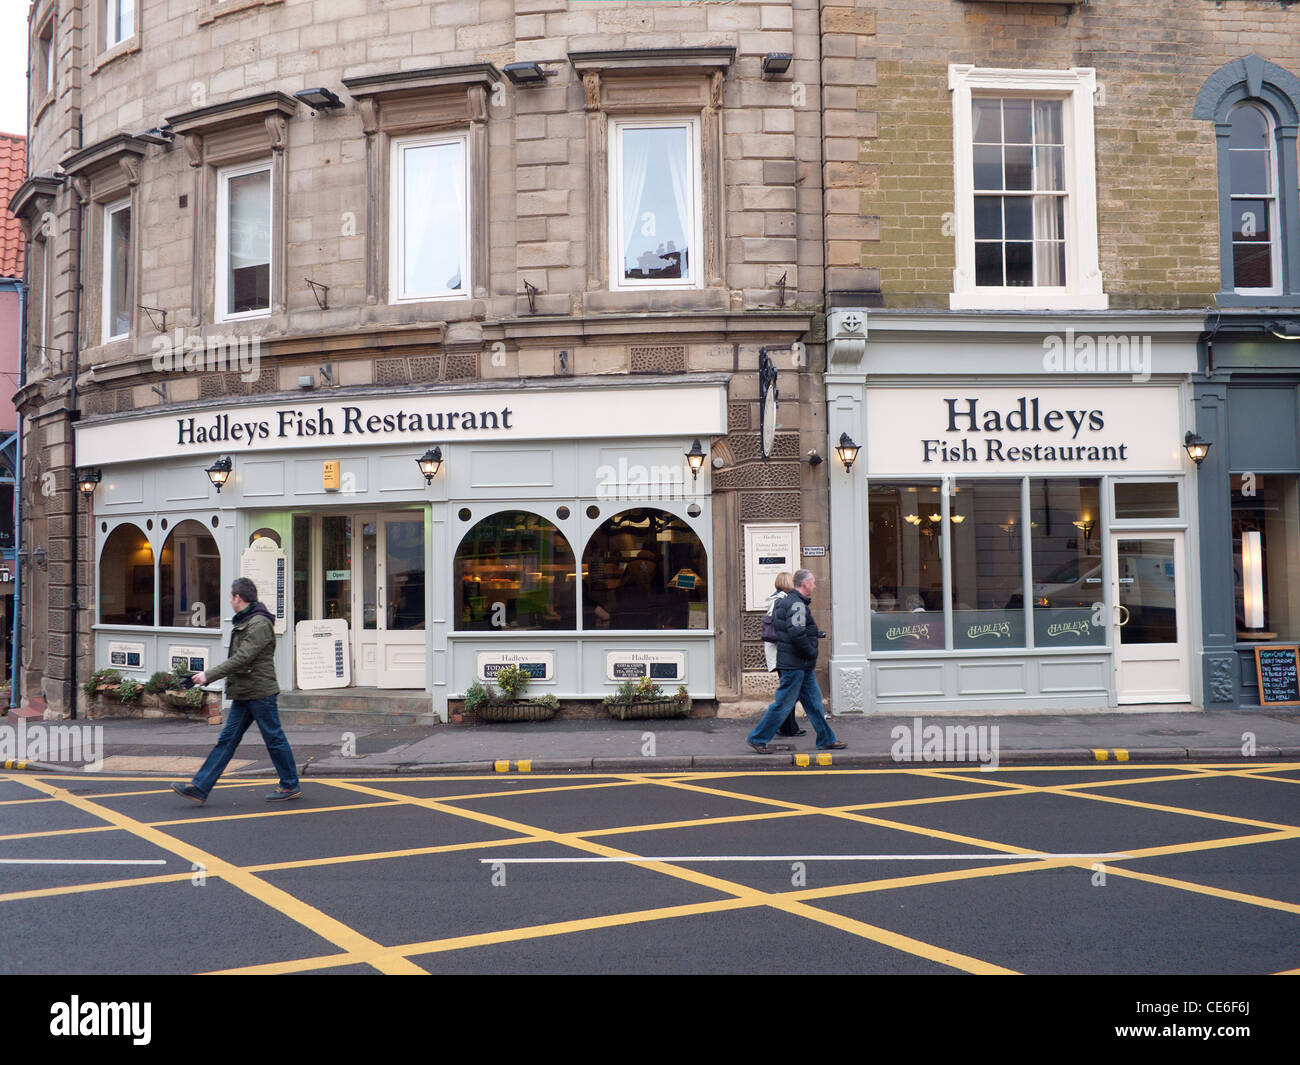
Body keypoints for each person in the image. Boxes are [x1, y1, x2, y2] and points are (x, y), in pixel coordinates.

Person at [171, 577, 301, 805]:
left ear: (238, 598)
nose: (229, 600)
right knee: (227, 740)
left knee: (274, 738)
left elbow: (242, 658)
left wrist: (208, 675)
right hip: (245, 692)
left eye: (230, 596)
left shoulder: (258, 623)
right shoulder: (248, 620)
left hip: (260, 693)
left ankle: (290, 784)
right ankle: (200, 788)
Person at [747, 569, 845, 753]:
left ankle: (826, 739)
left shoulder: (787, 602)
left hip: (799, 665)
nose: (815, 585)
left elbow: (790, 628)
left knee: (815, 705)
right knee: (783, 704)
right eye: (813, 582)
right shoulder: (797, 605)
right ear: (805, 584)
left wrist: (812, 635)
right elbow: (796, 633)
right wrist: (810, 651)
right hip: (795, 664)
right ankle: (757, 738)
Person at [762, 572, 804, 738]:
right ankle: (785, 727)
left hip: (779, 652)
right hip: (783, 653)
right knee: (789, 692)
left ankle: (789, 726)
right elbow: (785, 628)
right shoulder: (782, 601)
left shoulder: (775, 599)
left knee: (789, 691)